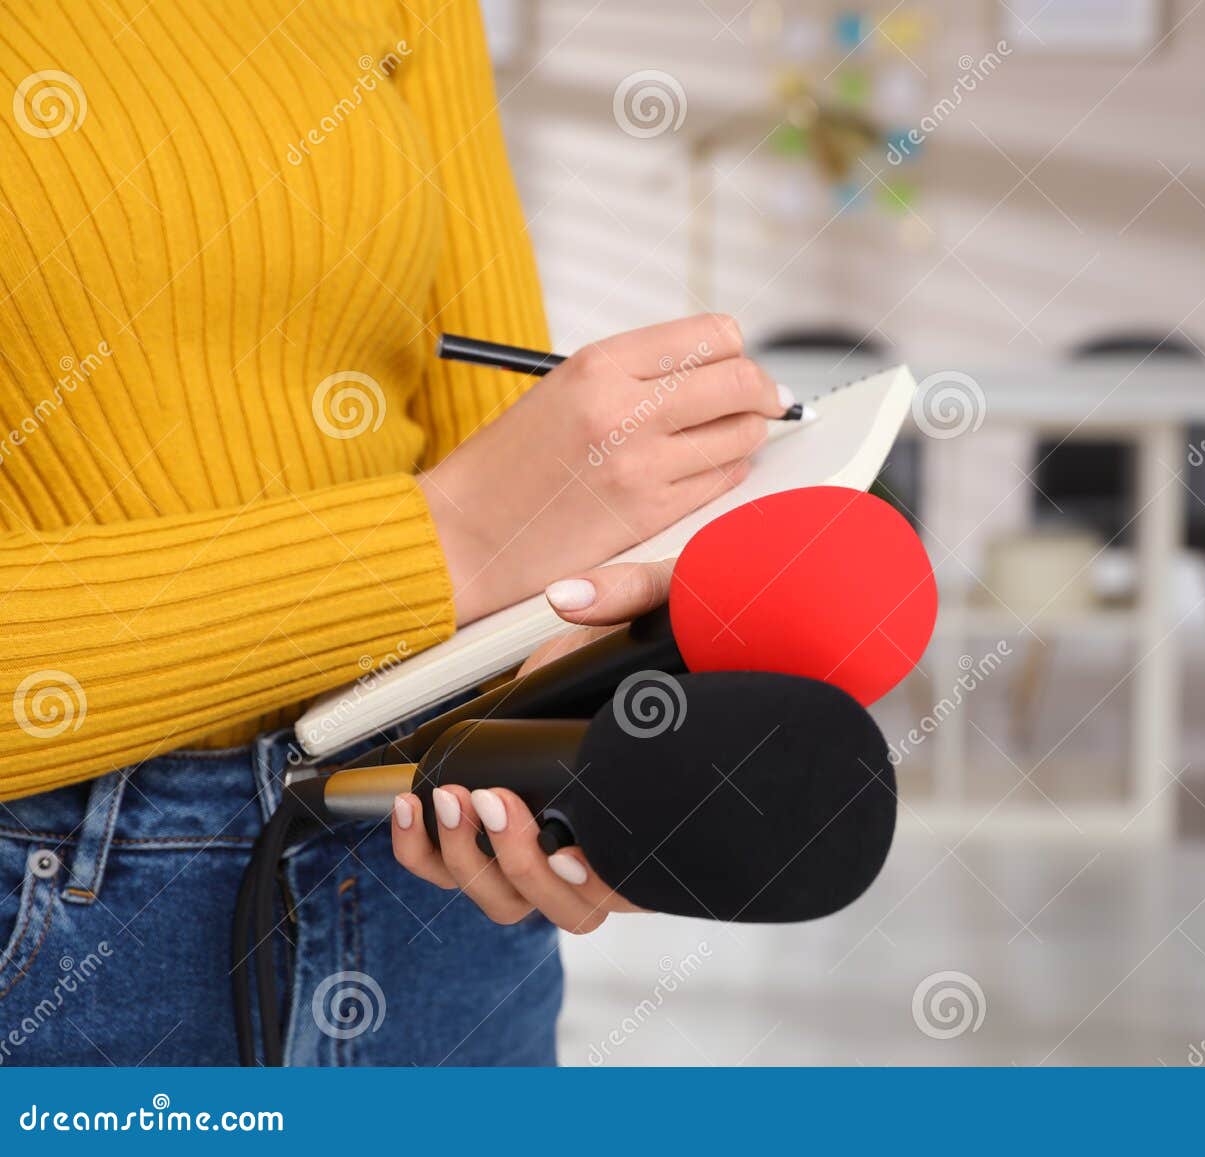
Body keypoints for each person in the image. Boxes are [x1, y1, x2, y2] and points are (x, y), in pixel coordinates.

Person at [0, 0, 785, 1065]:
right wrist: (442, 538)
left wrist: (558, 709)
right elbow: (479, 524)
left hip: (422, 856)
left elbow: (511, 482)